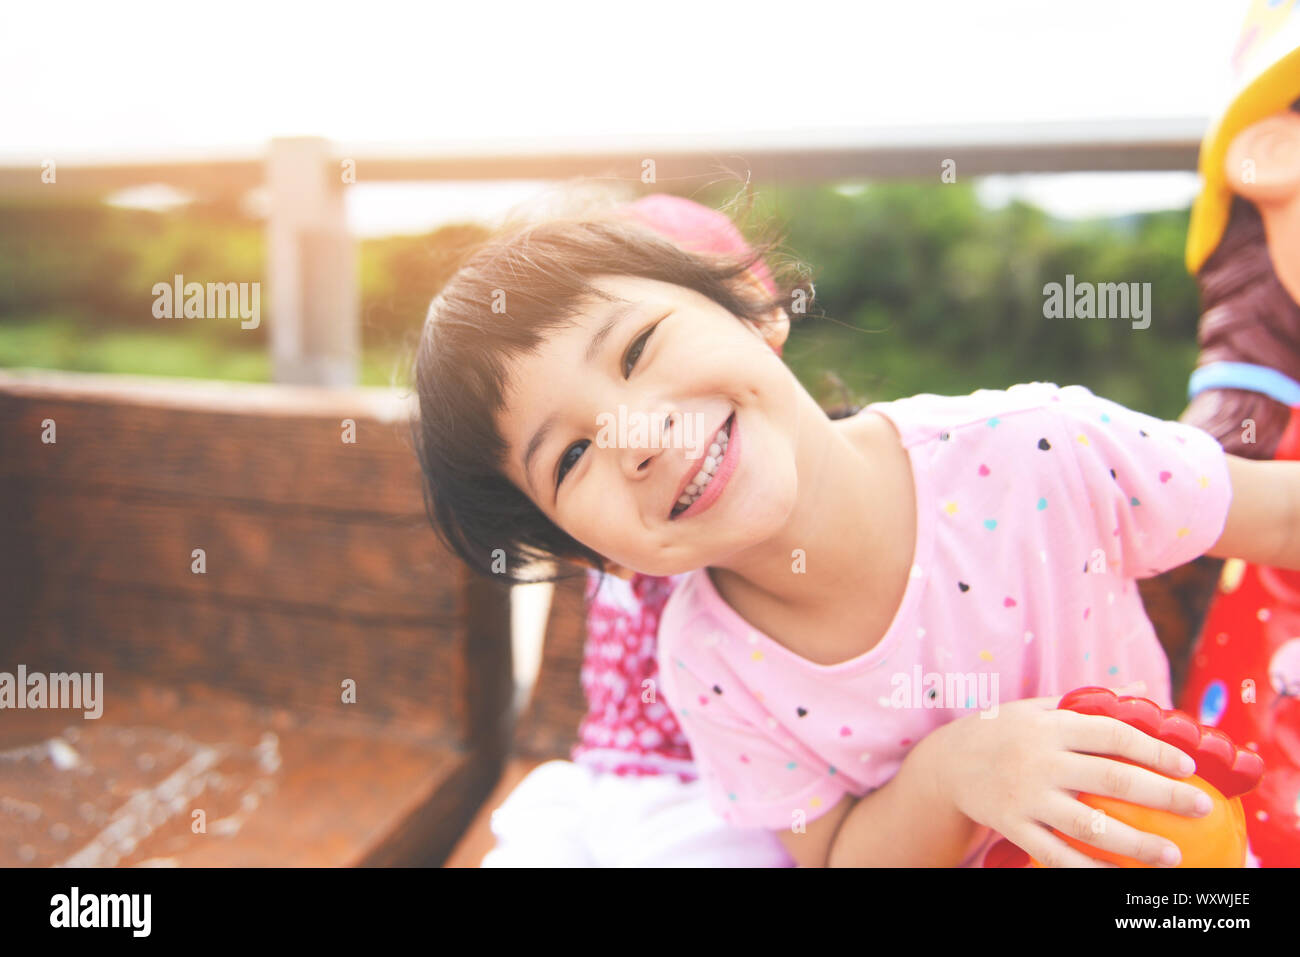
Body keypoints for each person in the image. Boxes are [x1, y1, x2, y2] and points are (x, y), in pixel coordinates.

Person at [412, 190, 1300, 867]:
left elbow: (1281, 515)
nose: (637, 439)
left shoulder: (1042, 447)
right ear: (596, 553)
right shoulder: (704, 663)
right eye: (569, 458)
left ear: (755, 313)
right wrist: (957, 773)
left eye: (636, 350)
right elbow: (837, 854)